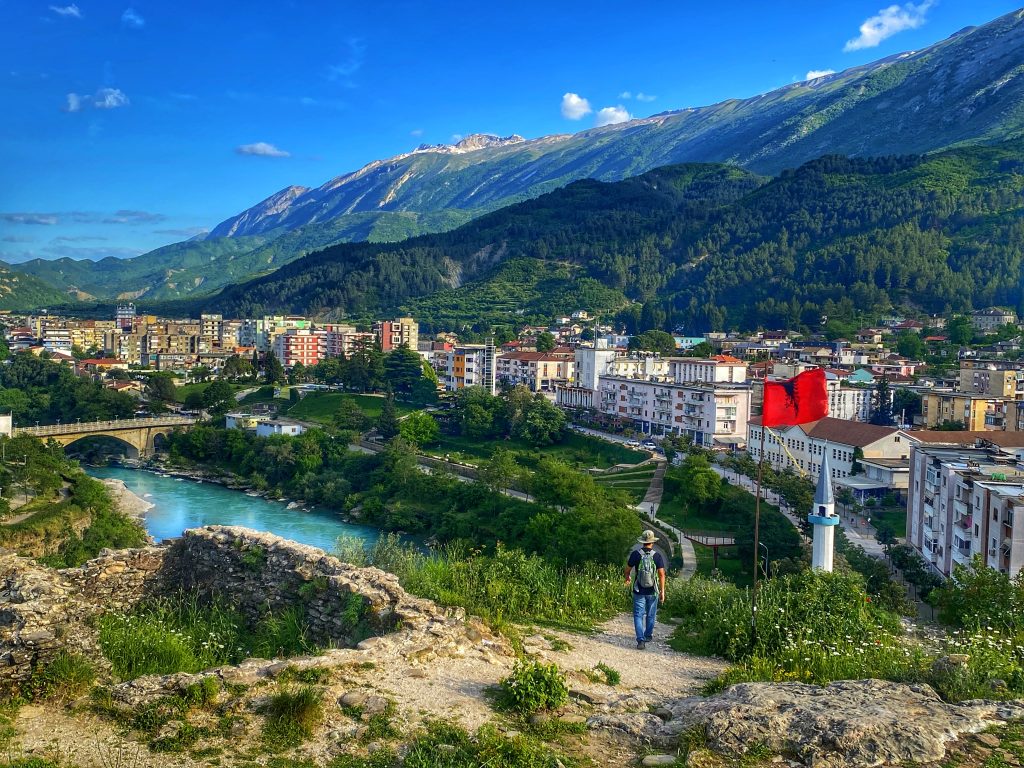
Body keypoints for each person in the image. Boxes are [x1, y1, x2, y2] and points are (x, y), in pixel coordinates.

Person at [624, 529, 666, 649]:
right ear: (652, 542)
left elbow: (627, 570)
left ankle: (640, 640)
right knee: (651, 614)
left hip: (639, 589)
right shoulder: (657, 556)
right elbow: (661, 574)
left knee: (638, 615)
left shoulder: (636, 554)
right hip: (653, 591)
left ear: (642, 542)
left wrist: (627, 578)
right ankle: (648, 635)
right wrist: (662, 591)